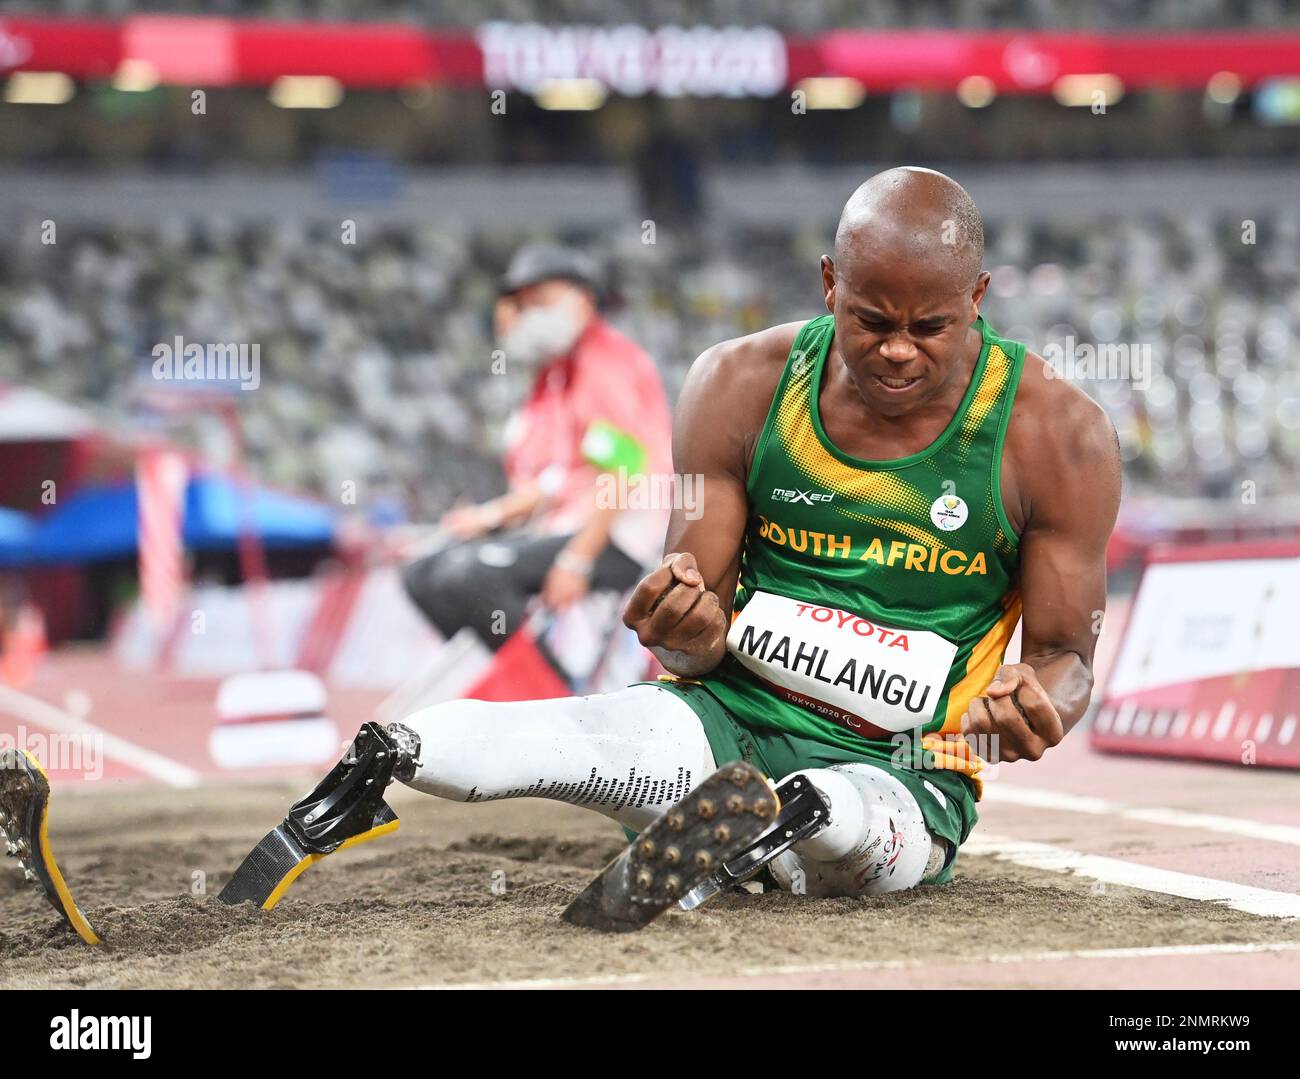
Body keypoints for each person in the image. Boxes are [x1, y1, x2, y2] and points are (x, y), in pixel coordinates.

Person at [285, 168, 1122, 927]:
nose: (897, 349)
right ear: (830, 285)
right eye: (870, 321)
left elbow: (1065, 658)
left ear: (978, 297)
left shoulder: (1058, 437)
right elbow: (696, 641)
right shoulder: (738, 386)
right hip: (724, 718)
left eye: (929, 326)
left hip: (907, 764)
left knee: (846, 818)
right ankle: (393, 751)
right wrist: (678, 625)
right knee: (569, 737)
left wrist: (1036, 702)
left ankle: (789, 823)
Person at [401, 244, 673, 677]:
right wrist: (491, 516)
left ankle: (552, 697)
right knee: (421, 574)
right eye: (523, 305)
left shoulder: (604, 362)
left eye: (540, 301)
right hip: (569, 526)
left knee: (467, 576)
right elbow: (557, 479)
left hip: (617, 537)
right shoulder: (562, 373)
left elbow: (623, 470)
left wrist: (577, 559)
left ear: (582, 299)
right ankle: (508, 678)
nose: (529, 315)